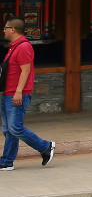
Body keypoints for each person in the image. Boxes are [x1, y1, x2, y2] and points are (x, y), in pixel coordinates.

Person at [2, 18, 55, 170]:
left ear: (13, 29)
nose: (3, 30)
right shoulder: (14, 47)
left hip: (17, 94)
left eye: (5, 28)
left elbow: (26, 71)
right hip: (8, 93)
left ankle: (45, 147)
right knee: (8, 130)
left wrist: (18, 91)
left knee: (15, 128)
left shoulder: (24, 46)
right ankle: (6, 161)